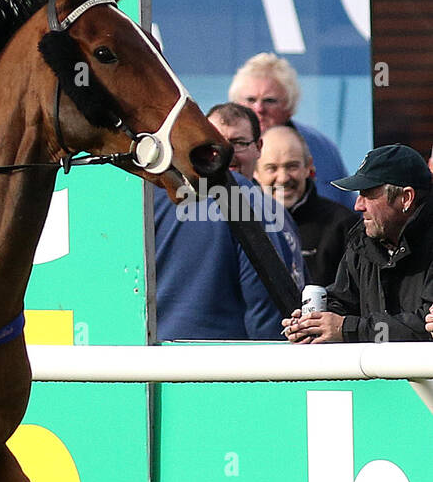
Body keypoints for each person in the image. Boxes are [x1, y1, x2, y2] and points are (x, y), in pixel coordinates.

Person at [153, 103, 304, 341]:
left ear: (259, 147)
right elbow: (271, 310)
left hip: (146, 362)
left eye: (239, 143)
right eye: (214, 141)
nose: (225, 152)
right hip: (225, 367)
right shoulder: (255, 202)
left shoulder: (153, 193)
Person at [283, 144, 433, 345]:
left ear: (405, 198)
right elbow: (344, 301)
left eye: (368, 194)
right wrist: (313, 323)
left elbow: (424, 328)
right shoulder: (363, 241)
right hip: (376, 375)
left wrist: (347, 329)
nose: (357, 205)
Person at [228, 53, 352, 209]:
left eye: (269, 100)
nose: (259, 109)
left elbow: (344, 207)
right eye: (250, 100)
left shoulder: (319, 147)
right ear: (236, 105)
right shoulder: (220, 148)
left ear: (289, 107)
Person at [254, 125, 355, 287]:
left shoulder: (343, 225)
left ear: (308, 167)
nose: (283, 178)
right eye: (271, 168)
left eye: (291, 166)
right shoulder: (244, 224)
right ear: (256, 173)